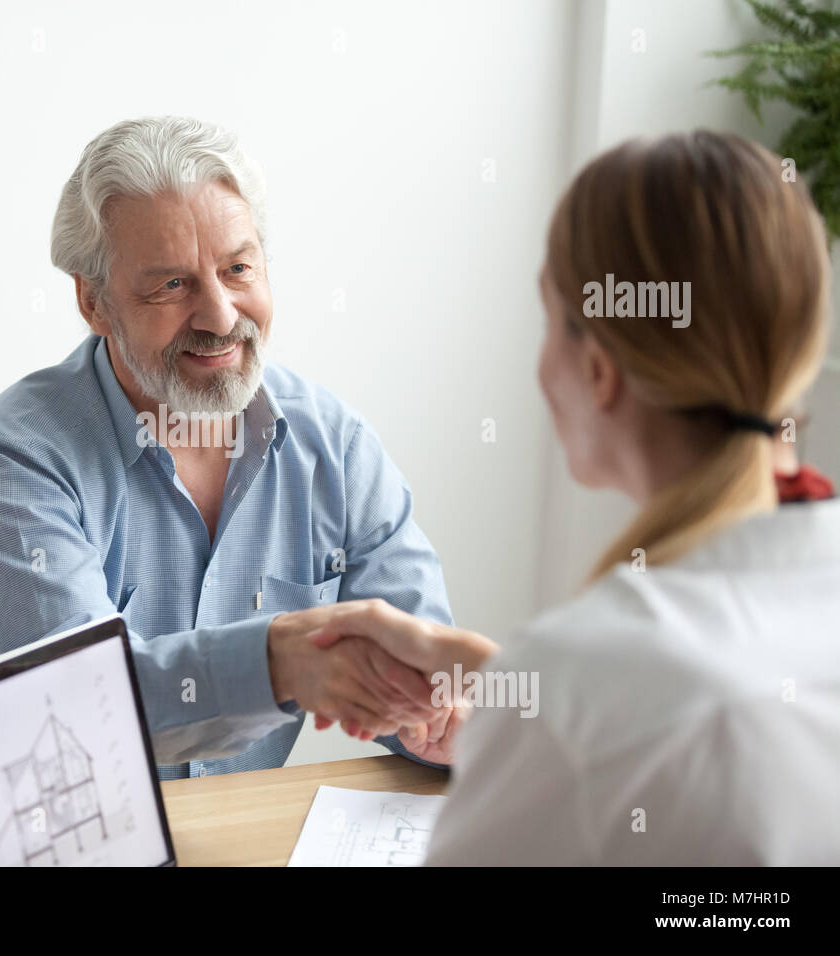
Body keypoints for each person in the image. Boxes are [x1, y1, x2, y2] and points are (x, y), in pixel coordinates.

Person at [304, 130, 839, 863]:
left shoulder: (589, 685)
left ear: (597, 370)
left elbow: (618, 717)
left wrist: (546, 692)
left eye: (549, 318)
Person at [0, 116, 452, 778]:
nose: (221, 317)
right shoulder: (10, 459)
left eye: (238, 269)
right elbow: (87, 710)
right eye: (172, 285)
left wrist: (440, 721)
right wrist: (279, 661)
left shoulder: (335, 445)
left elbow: (423, 678)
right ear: (95, 304)